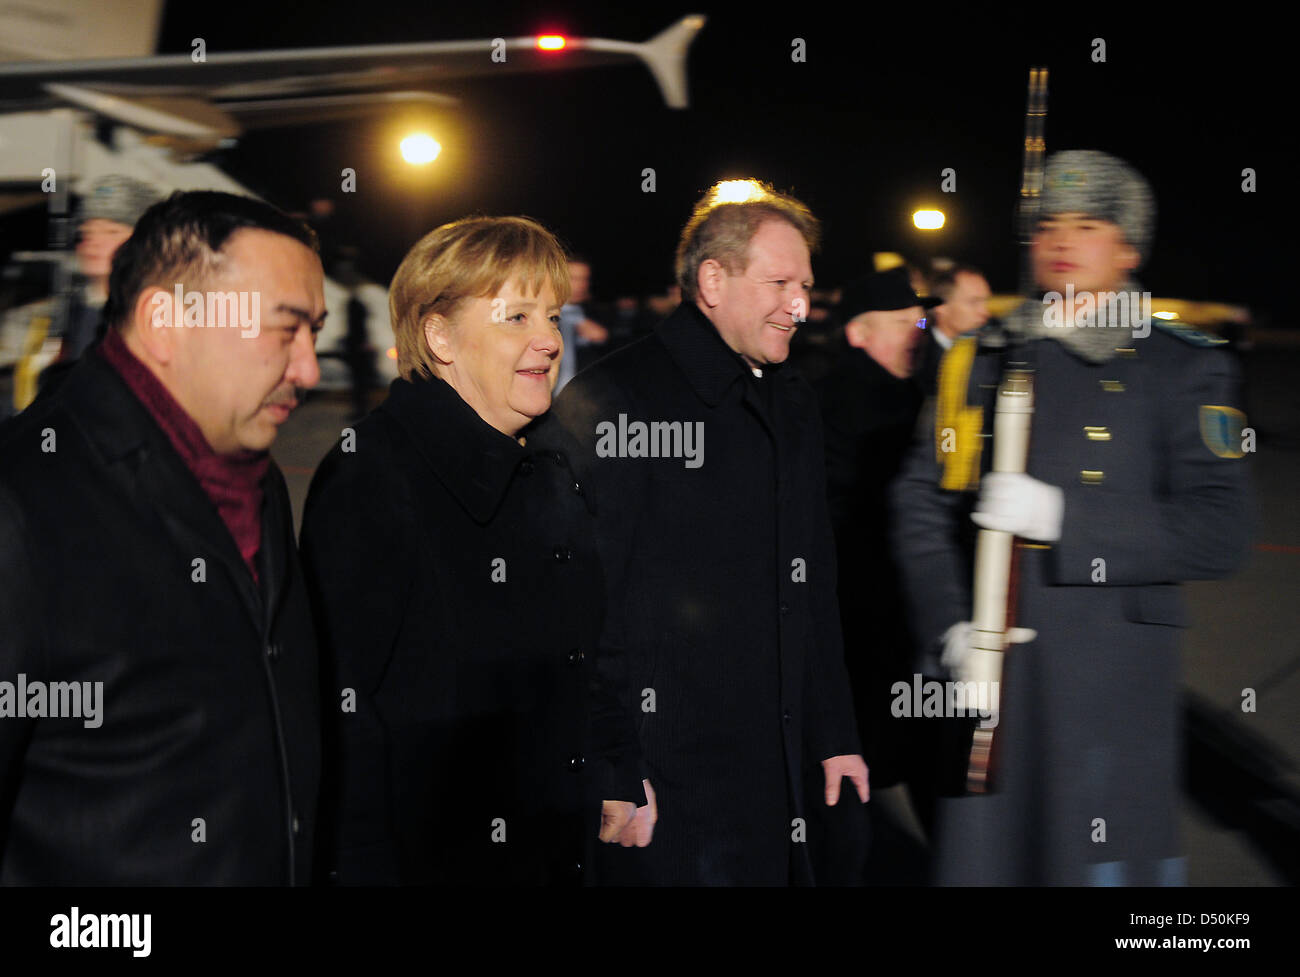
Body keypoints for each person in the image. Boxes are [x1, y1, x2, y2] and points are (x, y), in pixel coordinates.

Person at [892, 150, 1252, 884]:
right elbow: (919, 500)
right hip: (997, 675)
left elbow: (1222, 529)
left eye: (1087, 225)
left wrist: (1066, 514)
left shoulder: (1181, 366)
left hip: (1110, 686)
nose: (1060, 240)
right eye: (1048, 224)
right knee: (989, 861)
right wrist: (950, 625)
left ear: (1128, 248)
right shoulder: (983, 357)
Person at [299, 216, 646, 886]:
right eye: (516, 317)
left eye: (551, 315)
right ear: (440, 335)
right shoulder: (373, 475)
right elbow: (340, 719)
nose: (548, 339)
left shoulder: (546, 465)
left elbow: (589, 649)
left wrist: (613, 768)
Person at [0, 190, 325, 884]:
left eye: (316, 333)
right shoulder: (24, 502)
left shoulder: (255, 487)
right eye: (285, 329)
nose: (309, 370)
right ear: (165, 322)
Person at [551, 181, 868, 886]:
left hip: (781, 771)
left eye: (806, 286)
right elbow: (579, 607)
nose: (800, 305)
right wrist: (614, 767)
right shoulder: (617, 401)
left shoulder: (792, 398)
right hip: (671, 789)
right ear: (713, 280)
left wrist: (835, 734)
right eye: (780, 282)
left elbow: (813, 583)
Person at [817, 270, 960, 863]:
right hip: (871, 623)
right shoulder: (852, 398)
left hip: (893, 622)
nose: (917, 333)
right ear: (858, 333)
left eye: (920, 321)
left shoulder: (909, 391)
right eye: (903, 323)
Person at [8, 174, 161, 410]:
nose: (94, 242)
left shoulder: (158, 323)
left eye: (111, 232)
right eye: (88, 232)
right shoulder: (58, 315)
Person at [915, 264, 991, 394]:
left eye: (985, 302)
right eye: (973, 302)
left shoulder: (989, 353)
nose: (984, 312)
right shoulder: (917, 361)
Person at [554, 255, 609, 392]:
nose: (581, 285)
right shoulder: (543, 313)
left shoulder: (595, 312)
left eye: (585, 279)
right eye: (573, 278)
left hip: (584, 395)